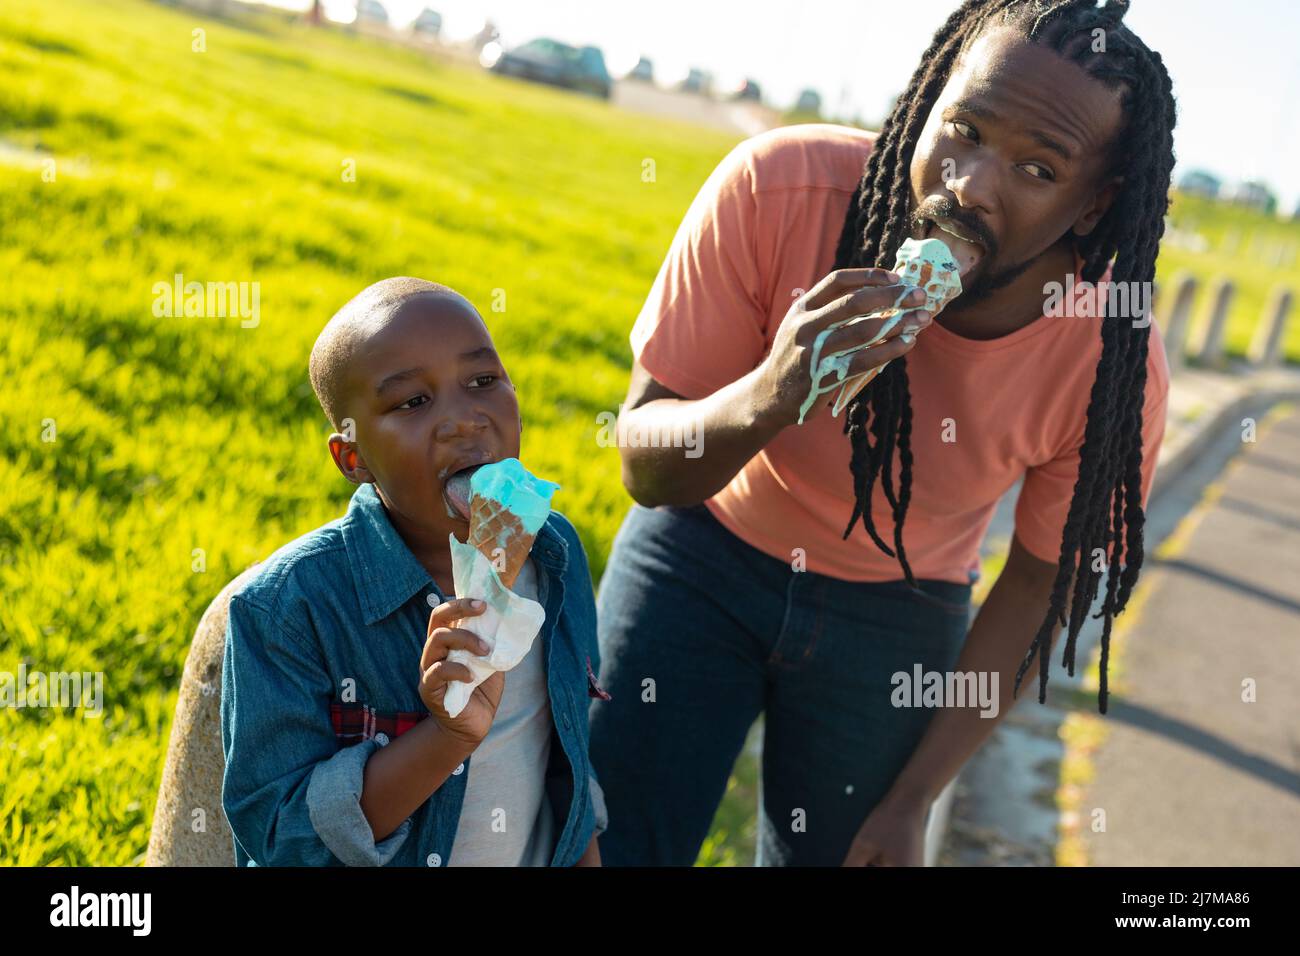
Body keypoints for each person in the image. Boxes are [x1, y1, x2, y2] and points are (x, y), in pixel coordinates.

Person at [588, 0, 1173, 866]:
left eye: (1038, 170)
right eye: (964, 128)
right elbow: (645, 464)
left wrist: (916, 797)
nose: (970, 184)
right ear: (930, 94)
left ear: (1097, 205)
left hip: (900, 609)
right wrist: (772, 393)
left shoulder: (1108, 360)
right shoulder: (780, 190)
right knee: (608, 839)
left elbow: (1037, 587)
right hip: (700, 551)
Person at [221, 277, 607, 866]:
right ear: (354, 458)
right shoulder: (288, 611)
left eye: (483, 381)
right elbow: (280, 838)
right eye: (412, 402)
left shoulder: (553, 556)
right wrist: (445, 738)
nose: (464, 420)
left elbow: (570, 768)